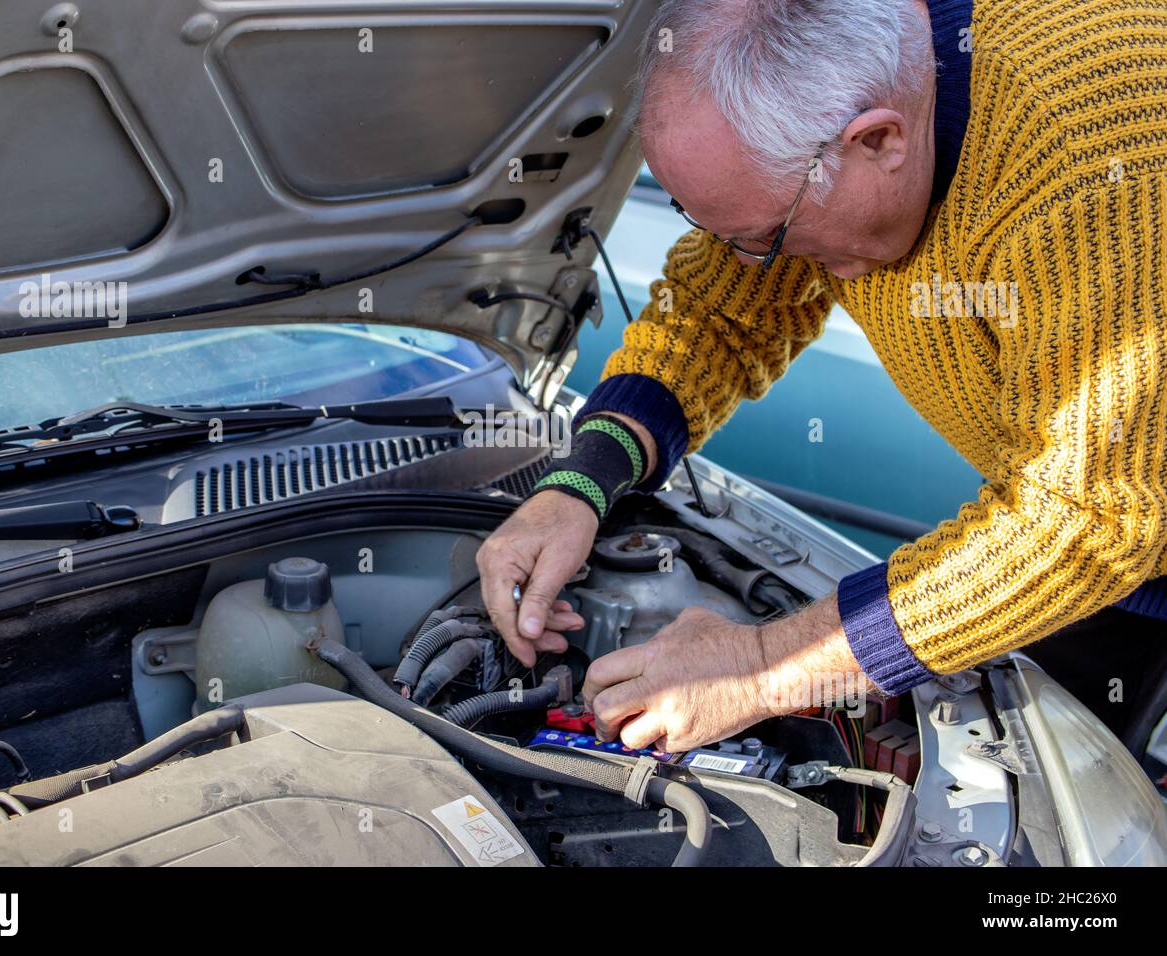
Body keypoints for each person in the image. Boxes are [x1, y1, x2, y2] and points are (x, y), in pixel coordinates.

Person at [476, 0, 1167, 753]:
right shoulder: (823, 117)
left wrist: (767, 665)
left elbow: (1088, 518)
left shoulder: (1093, 172)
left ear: (877, 139)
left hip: (1101, 513)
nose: (750, 262)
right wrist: (578, 484)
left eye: (764, 238)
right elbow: (723, 314)